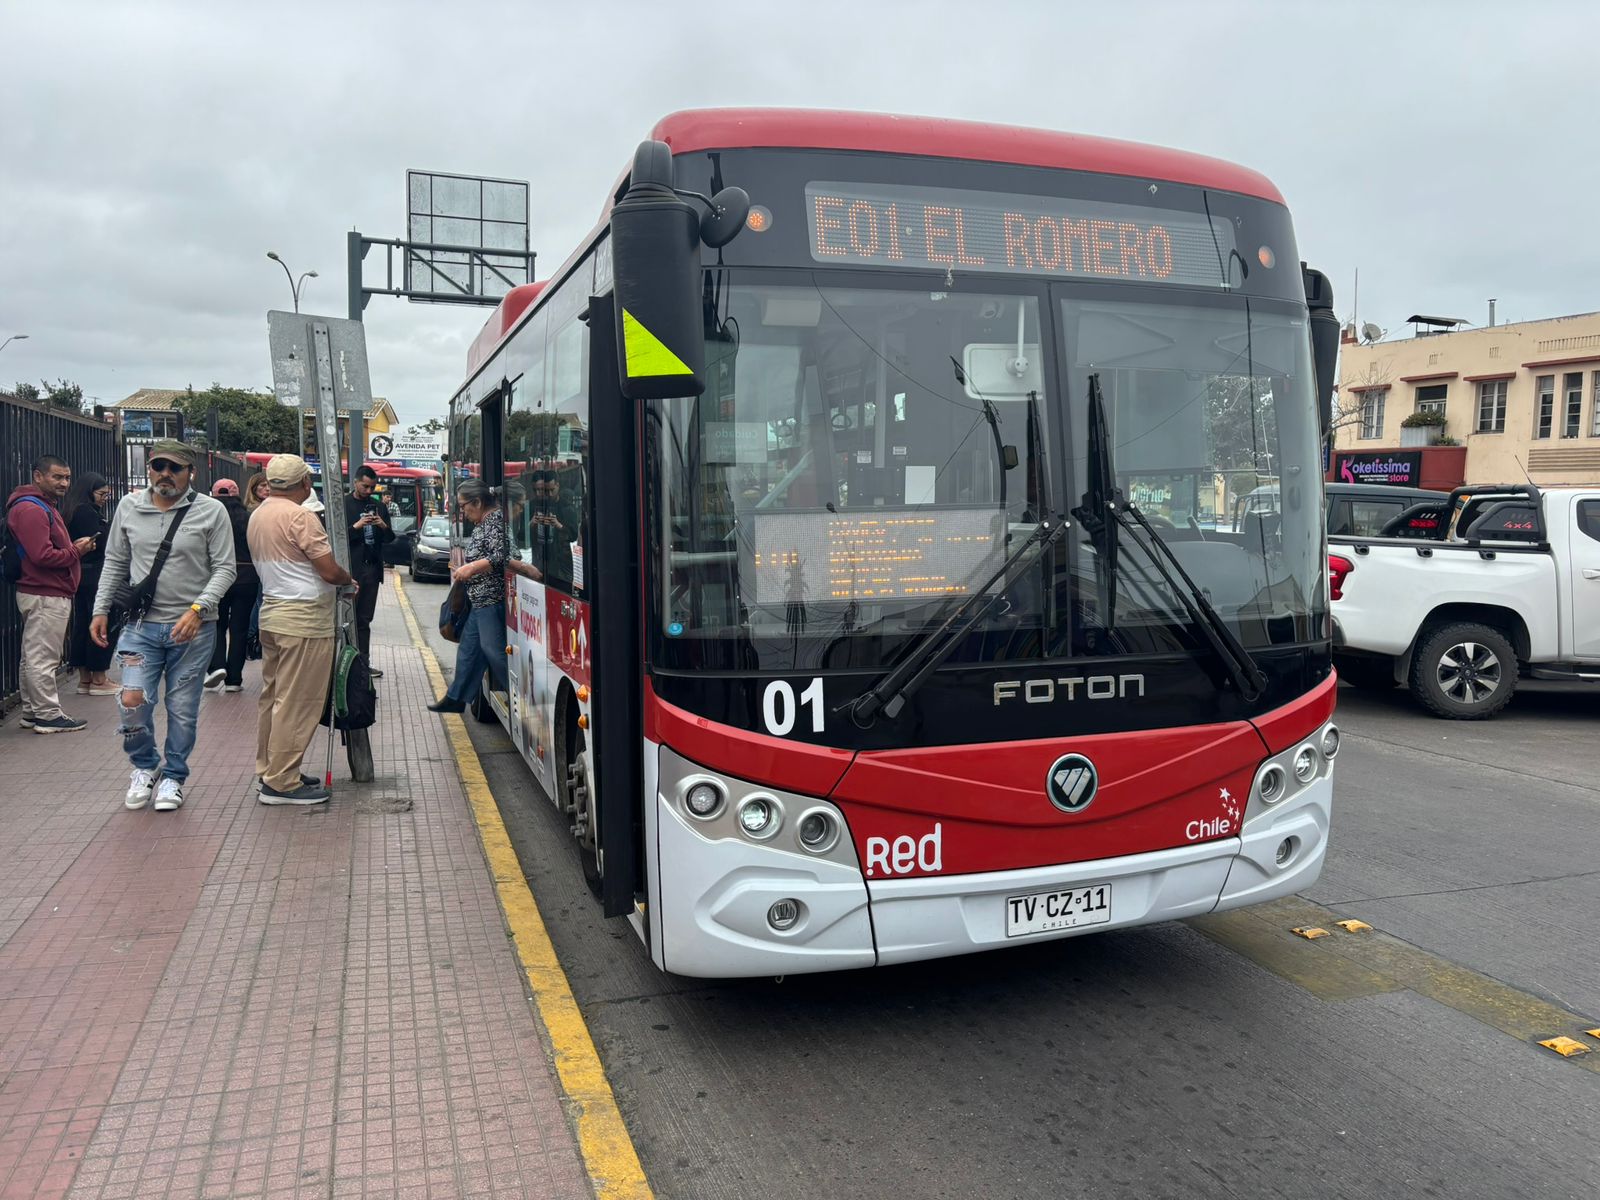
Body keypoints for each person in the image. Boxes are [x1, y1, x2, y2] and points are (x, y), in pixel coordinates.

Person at [90, 440, 237, 811]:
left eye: (174, 467)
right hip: (140, 626)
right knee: (131, 700)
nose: (165, 474)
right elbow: (114, 563)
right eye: (158, 466)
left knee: (182, 707)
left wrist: (198, 609)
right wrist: (100, 609)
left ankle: (173, 776)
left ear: (191, 473)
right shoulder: (129, 507)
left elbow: (225, 569)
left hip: (194, 629)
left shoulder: (211, 511)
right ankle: (145, 764)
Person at [247, 454, 355, 805]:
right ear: (305, 484)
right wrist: (347, 580)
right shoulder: (300, 517)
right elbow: (327, 570)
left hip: (273, 615)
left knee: (273, 697)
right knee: (299, 701)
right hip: (305, 619)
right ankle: (282, 782)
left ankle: (272, 768)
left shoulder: (259, 514)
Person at [7, 455, 95, 733]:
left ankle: (33, 711)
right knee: (43, 657)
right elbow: (43, 555)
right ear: (38, 476)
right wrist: (76, 552)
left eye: (67, 477)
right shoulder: (33, 510)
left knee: (32, 655)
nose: (64, 483)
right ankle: (47, 715)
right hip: (45, 592)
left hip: (42, 590)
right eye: (57, 477)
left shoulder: (40, 506)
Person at [427, 479, 508, 713]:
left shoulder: (495, 521)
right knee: (468, 649)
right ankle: (456, 697)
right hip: (478, 599)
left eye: (464, 506)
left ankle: (519, 692)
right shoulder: (483, 523)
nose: (462, 511)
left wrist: (470, 568)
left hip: (491, 599)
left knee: (492, 650)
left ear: (478, 502)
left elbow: (501, 556)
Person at [63, 470, 116, 695]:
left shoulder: (73, 510)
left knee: (83, 625)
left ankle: (85, 678)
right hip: (95, 575)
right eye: (102, 493)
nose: (105, 498)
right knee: (101, 623)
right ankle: (99, 678)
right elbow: (101, 543)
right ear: (89, 492)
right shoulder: (86, 512)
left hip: (81, 576)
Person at [202, 478, 258, 693]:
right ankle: (234, 678)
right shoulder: (248, 518)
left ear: (214, 495)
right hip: (247, 577)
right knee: (240, 628)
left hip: (217, 577)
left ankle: (216, 667)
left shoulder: (208, 517)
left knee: (217, 623)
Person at [343, 465, 393, 677]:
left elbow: (391, 539)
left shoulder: (379, 507)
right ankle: (345, 664)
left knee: (364, 619)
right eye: (365, 486)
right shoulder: (343, 505)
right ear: (355, 482)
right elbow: (336, 537)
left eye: (373, 487)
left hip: (371, 569)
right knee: (346, 618)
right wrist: (357, 526)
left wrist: (382, 526)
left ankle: (363, 664)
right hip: (350, 569)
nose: (369, 491)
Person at [243, 471, 270, 659]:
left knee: (258, 602)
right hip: (257, 562)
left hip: (258, 562)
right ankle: (253, 639)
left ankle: (251, 638)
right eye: (262, 486)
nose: (267, 489)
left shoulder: (261, 508)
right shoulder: (254, 510)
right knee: (259, 602)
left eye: (269, 485)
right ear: (253, 489)